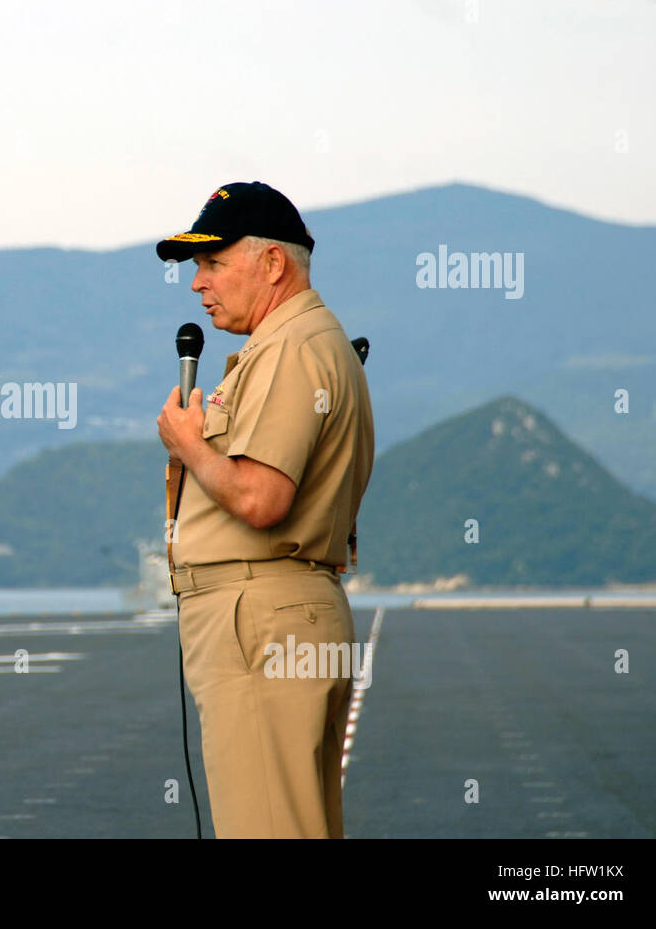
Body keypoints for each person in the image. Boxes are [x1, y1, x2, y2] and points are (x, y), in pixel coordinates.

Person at [155, 181, 374, 838]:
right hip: (282, 612)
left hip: (262, 618)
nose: (198, 284)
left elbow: (260, 498)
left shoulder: (289, 350)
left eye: (213, 263)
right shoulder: (305, 345)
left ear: (273, 264)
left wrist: (190, 445)